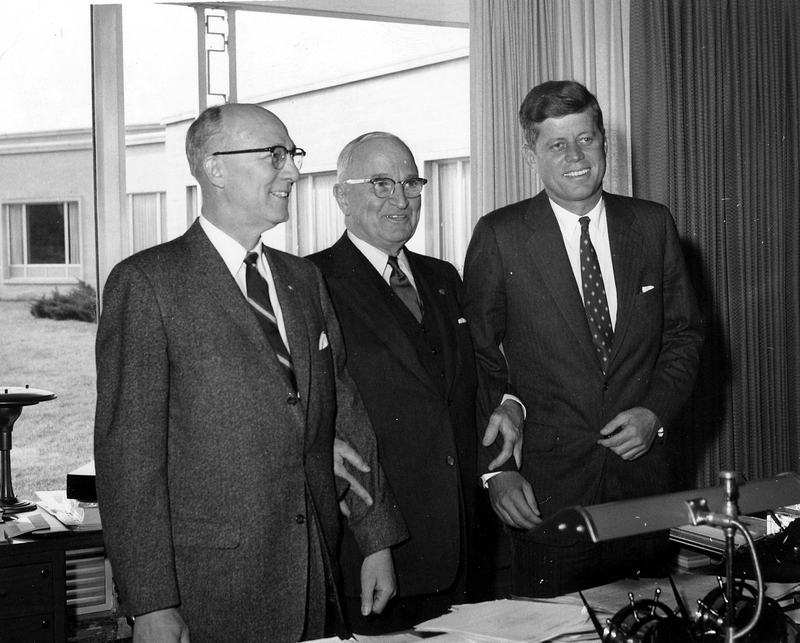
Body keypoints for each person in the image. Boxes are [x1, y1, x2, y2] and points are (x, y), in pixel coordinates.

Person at [94, 104, 409, 643]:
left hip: (313, 575)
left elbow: (345, 413)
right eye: (275, 155)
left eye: (293, 155)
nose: (293, 171)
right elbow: (129, 463)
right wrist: (151, 603)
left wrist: (375, 538)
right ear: (215, 168)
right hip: (210, 589)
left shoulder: (303, 280)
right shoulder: (147, 284)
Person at [462, 80, 704, 598]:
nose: (575, 156)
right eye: (556, 144)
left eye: (586, 139)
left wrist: (655, 412)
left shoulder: (652, 224)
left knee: (652, 621)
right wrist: (496, 473)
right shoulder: (500, 236)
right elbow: (480, 362)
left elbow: (684, 337)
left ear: (604, 143)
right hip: (547, 493)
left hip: (644, 486)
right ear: (531, 153)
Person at [307, 132, 522, 633]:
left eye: (411, 183)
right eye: (381, 184)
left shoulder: (443, 277)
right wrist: (370, 541)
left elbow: (474, 384)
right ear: (342, 196)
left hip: (462, 543)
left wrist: (510, 404)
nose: (401, 200)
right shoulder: (311, 282)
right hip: (374, 551)